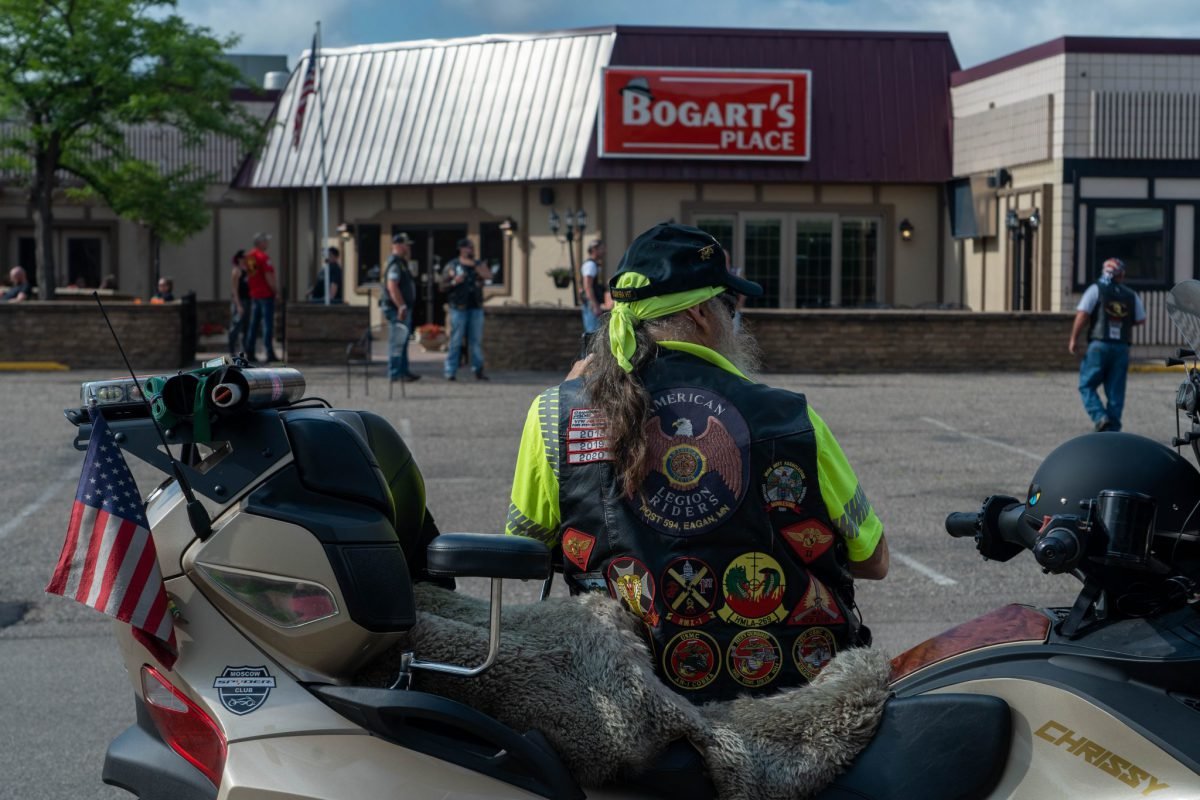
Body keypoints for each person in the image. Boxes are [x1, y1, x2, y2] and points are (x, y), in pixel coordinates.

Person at [505, 222, 888, 701]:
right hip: (785, 697)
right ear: (703, 313)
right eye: (731, 305)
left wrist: (569, 395)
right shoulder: (792, 416)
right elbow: (874, 560)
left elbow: (523, 552)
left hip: (629, 701)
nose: (735, 320)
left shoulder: (554, 414)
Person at [1069, 257, 1146, 432]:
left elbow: (1083, 314)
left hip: (1099, 344)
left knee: (1086, 384)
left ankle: (1100, 417)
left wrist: (1073, 338)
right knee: (1116, 390)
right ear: (1122, 273)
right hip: (1121, 346)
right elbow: (1141, 319)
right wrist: (1123, 322)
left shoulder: (1096, 289)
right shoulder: (1130, 294)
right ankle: (1113, 430)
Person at [441, 236, 490, 381]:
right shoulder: (452, 265)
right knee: (455, 341)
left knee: (476, 341)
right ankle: (450, 371)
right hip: (458, 307)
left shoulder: (478, 264)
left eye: (472, 247)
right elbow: (442, 286)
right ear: (461, 249)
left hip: (475, 307)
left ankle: (478, 370)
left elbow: (488, 275)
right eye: (468, 247)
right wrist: (454, 281)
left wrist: (476, 267)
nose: (471, 250)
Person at [383, 233, 420, 382]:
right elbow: (392, 286)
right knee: (398, 341)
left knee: (403, 341)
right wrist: (401, 306)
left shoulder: (401, 262)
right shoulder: (394, 263)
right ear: (397, 245)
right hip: (396, 308)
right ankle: (395, 373)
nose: (408, 247)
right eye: (405, 244)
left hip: (401, 307)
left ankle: (403, 371)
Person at [244, 233, 279, 364]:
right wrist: (276, 291)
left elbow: (251, 275)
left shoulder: (250, 257)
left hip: (255, 294)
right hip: (265, 294)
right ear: (260, 243)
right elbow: (268, 275)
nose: (267, 244)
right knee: (267, 325)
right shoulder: (263, 257)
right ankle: (269, 353)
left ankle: (250, 352)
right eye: (265, 241)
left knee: (253, 325)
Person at [580, 239, 607, 334]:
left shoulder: (594, 265)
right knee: (592, 333)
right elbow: (587, 286)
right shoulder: (590, 265)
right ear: (594, 249)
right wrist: (594, 304)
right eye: (601, 248)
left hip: (592, 302)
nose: (604, 251)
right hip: (591, 303)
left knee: (593, 332)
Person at [228, 250, 251, 357]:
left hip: (248, 300)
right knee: (236, 326)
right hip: (239, 301)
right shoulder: (236, 271)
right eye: (243, 258)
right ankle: (232, 349)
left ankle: (245, 350)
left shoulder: (247, 270)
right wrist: (238, 306)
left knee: (246, 327)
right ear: (239, 259)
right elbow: (234, 290)